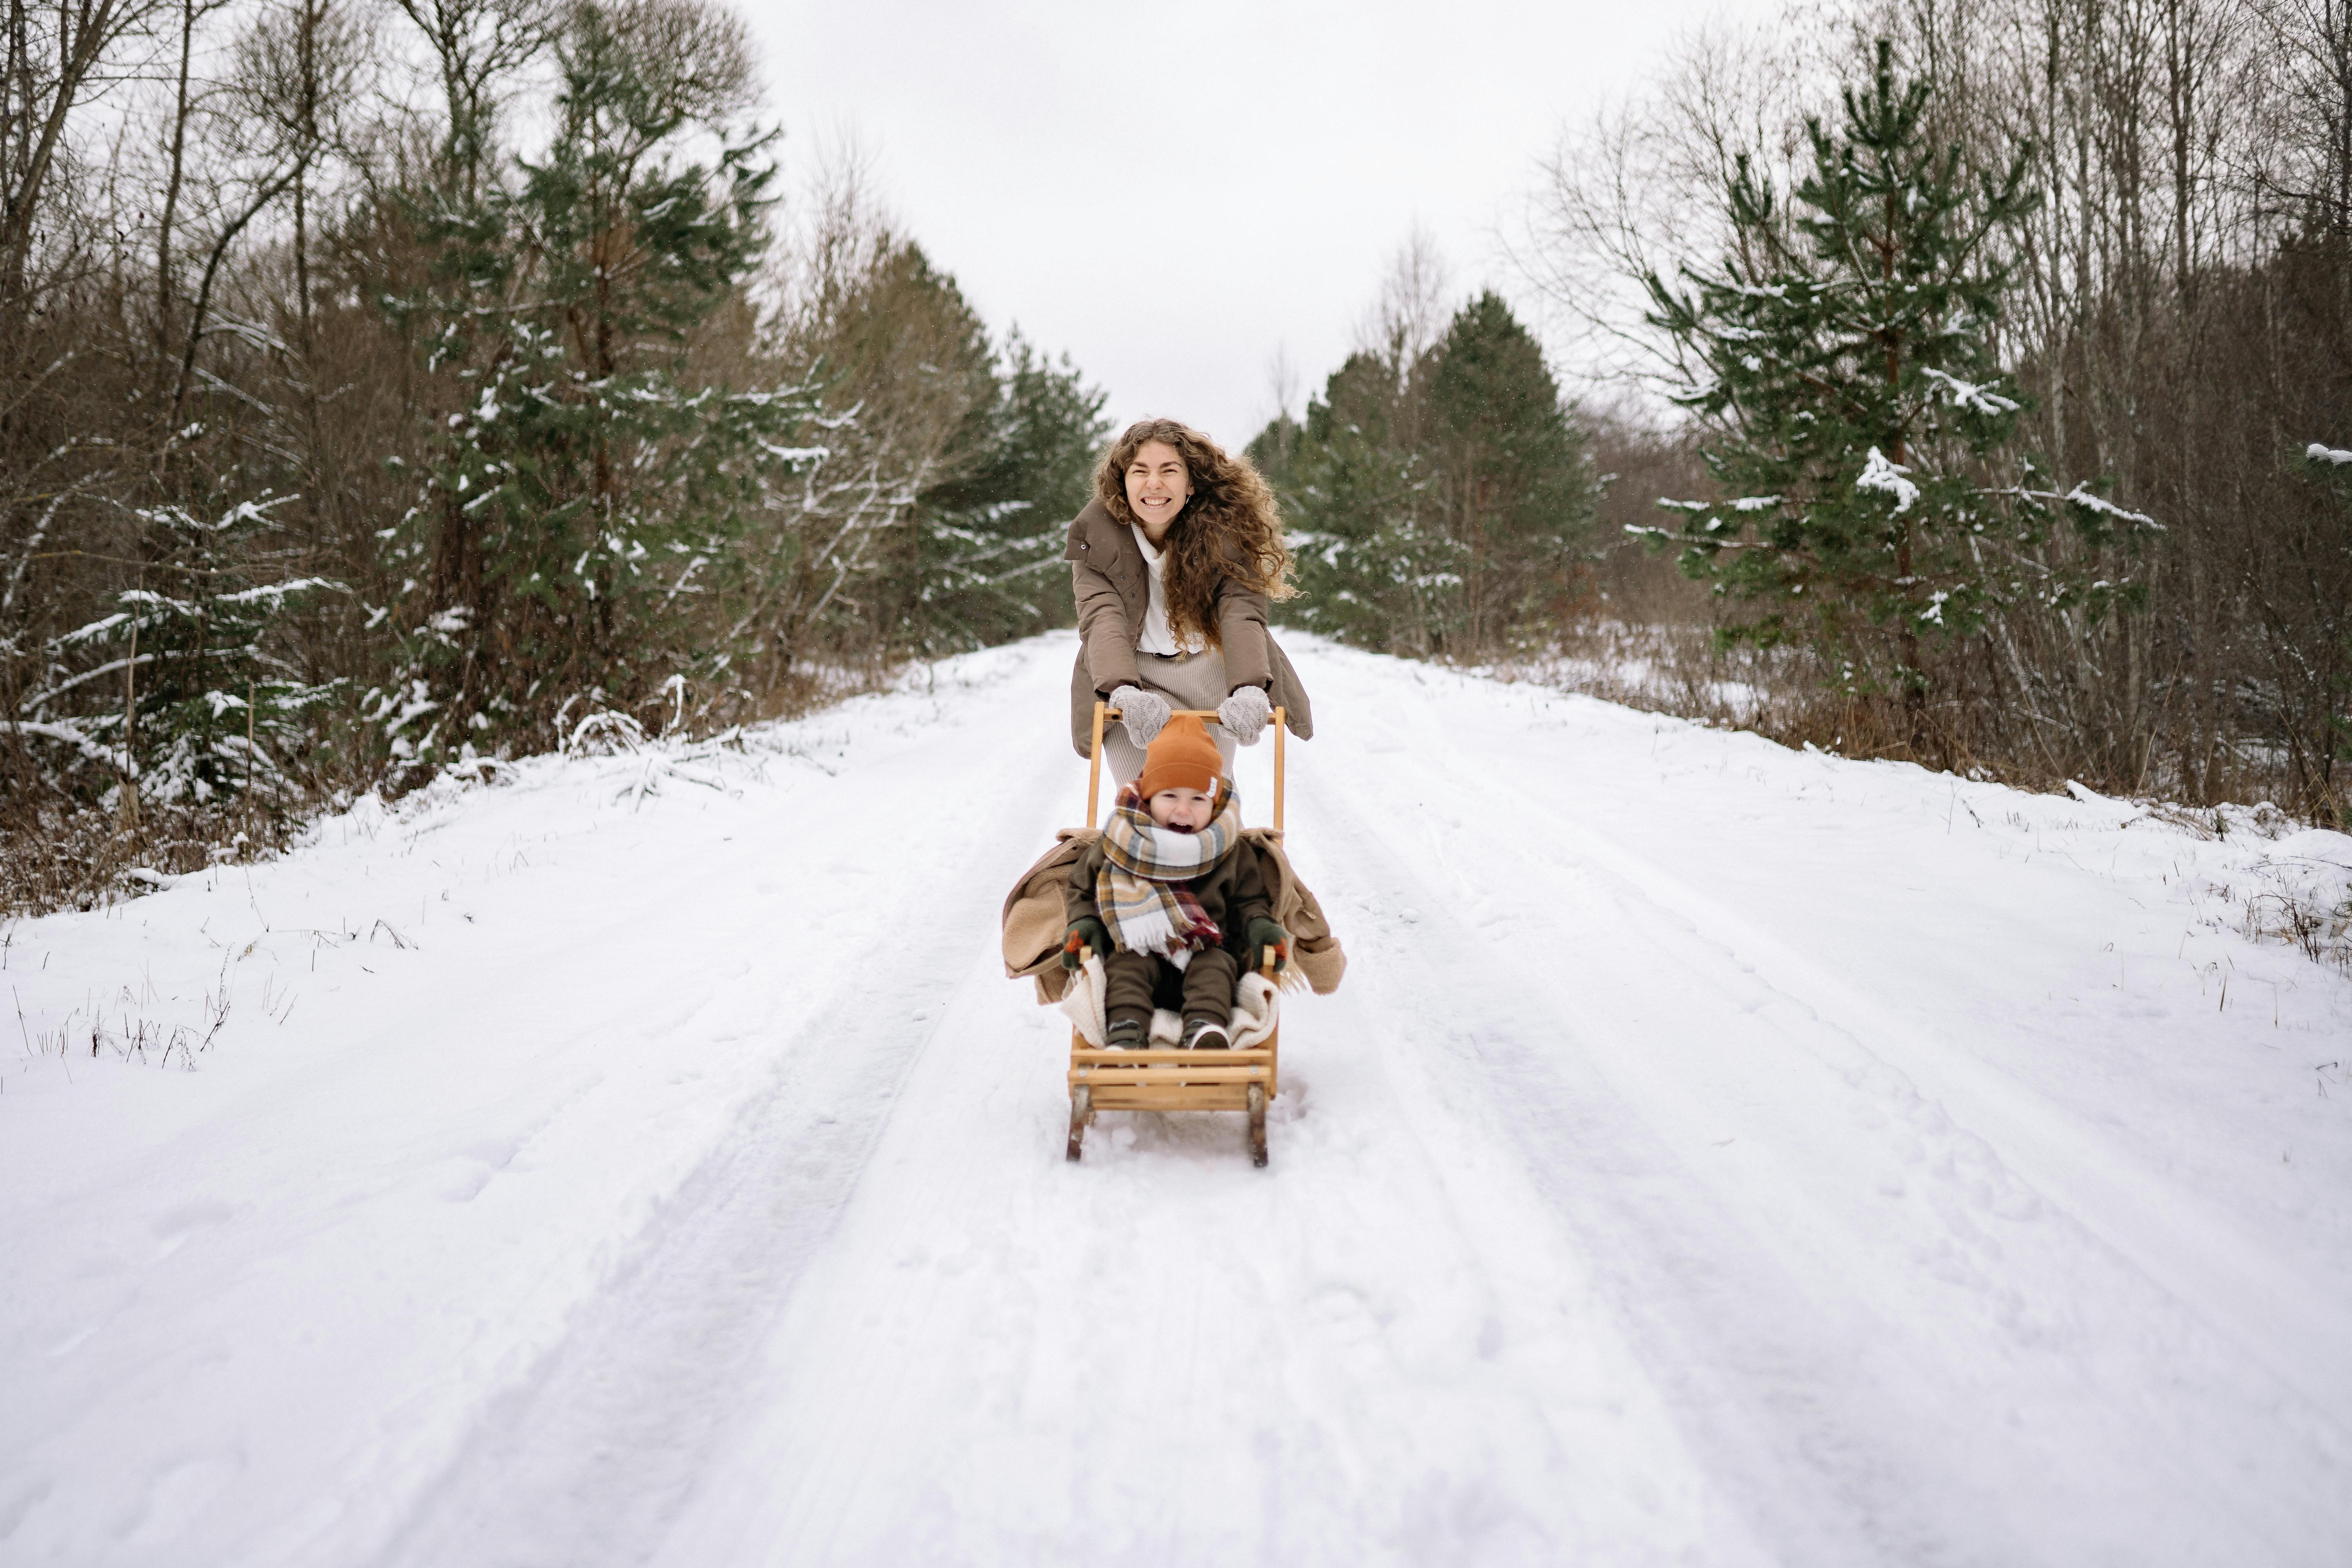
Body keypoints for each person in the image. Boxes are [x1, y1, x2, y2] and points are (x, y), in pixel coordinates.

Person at [1066, 418, 1314, 786]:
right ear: (1123, 482)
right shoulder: (1096, 535)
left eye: (1169, 470)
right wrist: (1124, 691)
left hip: (1207, 671)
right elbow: (1101, 619)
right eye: (1140, 471)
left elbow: (1241, 614)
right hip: (1134, 676)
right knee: (1140, 801)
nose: (1154, 483)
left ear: (1191, 483)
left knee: (1204, 795)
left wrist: (1248, 688)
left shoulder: (1228, 533)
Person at [1060, 715, 1289, 1050]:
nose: (1183, 810)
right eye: (1170, 796)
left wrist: (1260, 927)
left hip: (1206, 953)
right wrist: (1084, 924)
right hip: (1136, 949)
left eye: (1198, 799)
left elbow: (1249, 900)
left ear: (1214, 804)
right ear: (1148, 797)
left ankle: (1205, 1028)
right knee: (1123, 969)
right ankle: (1126, 1029)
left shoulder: (1230, 848)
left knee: (1217, 967)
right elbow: (1084, 888)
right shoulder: (1120, 840)